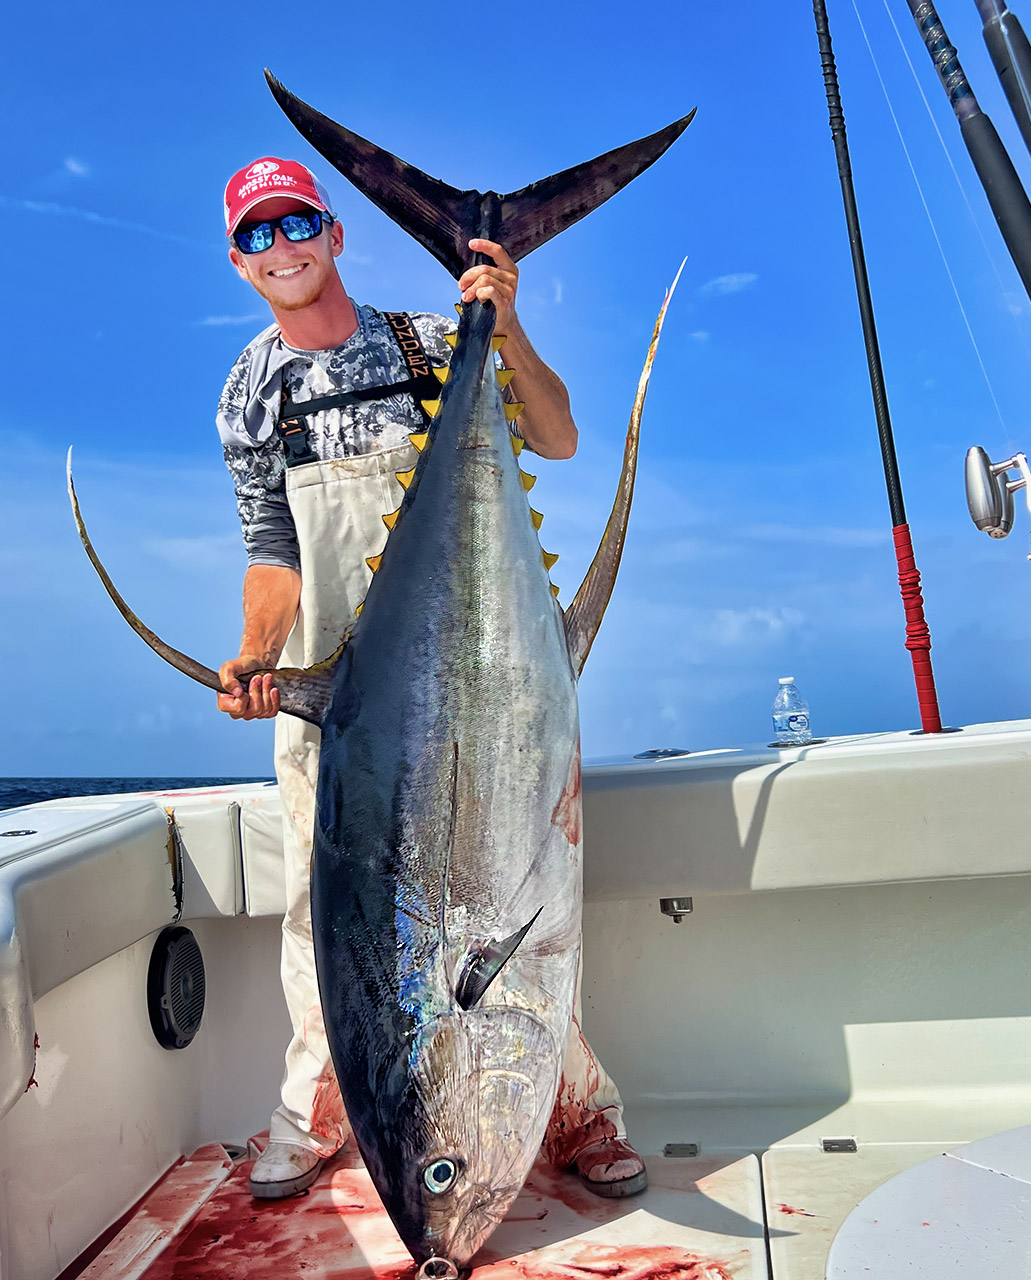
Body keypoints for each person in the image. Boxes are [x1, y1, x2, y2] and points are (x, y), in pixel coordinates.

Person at [213, 156, 647, 1203]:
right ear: (239, 261)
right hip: (344, 698)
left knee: (518, 891)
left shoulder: (425, 340)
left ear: (333, 232)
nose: (283, 249)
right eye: (259, 236)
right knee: (318, 913)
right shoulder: (248, 391)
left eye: (298, 225)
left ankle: (575, 1108)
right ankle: (318, 1114)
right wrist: (260, 653)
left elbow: (556, 436)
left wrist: (504, 317)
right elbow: (272, 547)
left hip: (481, 679)